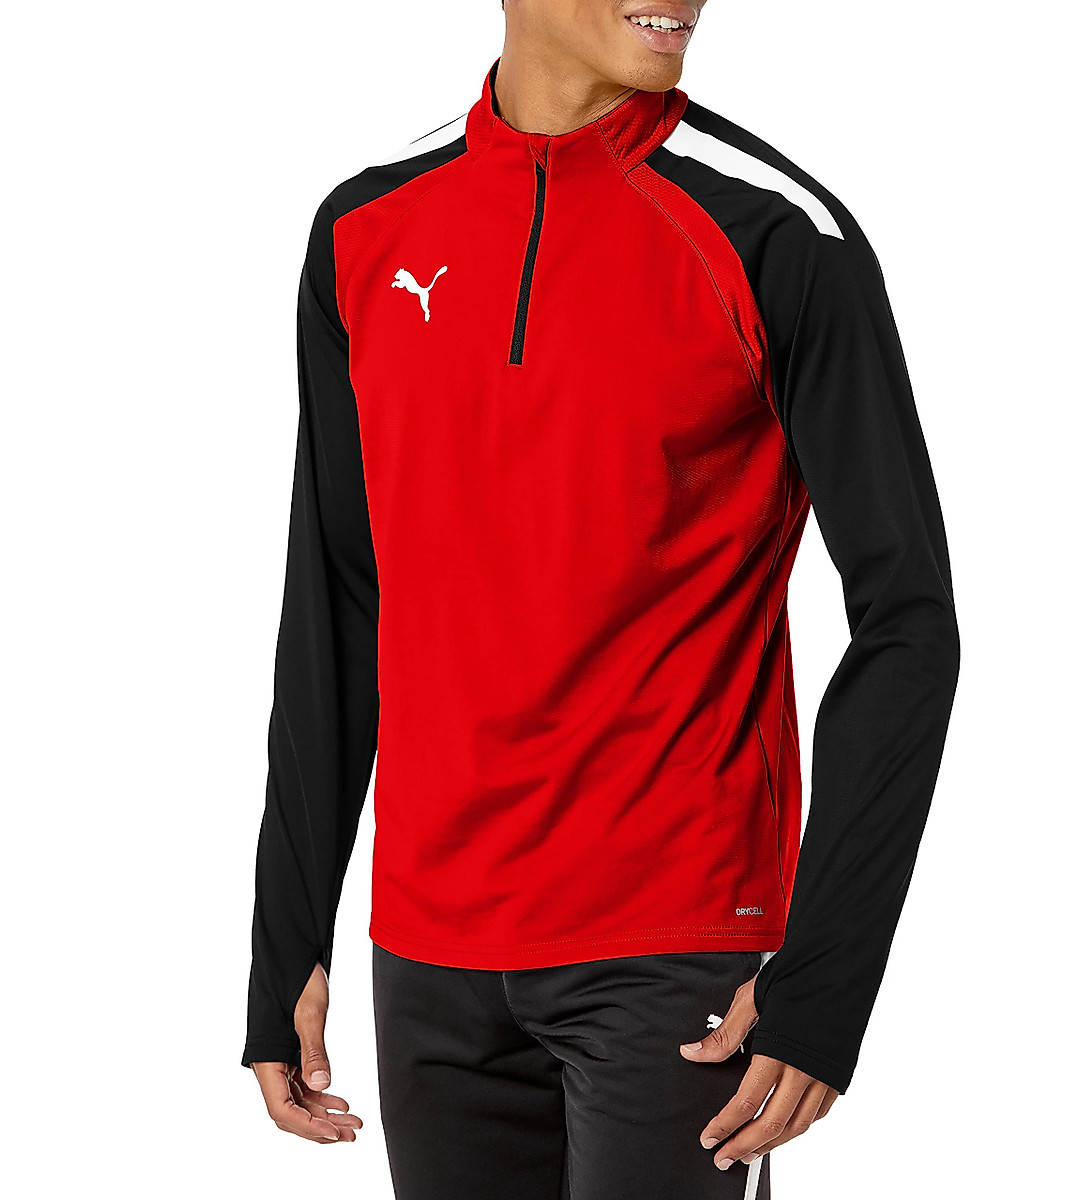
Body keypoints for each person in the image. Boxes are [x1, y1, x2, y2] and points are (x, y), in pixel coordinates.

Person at [243, 2, 960, 1196]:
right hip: (428, 944)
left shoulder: (778, 233)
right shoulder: (365, 226)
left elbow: (907, 620)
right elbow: (339, 595)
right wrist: (288, 938)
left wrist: (828, 977)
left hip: (675, 945)